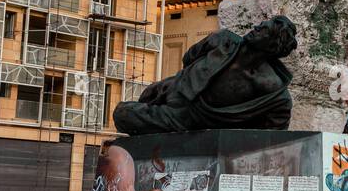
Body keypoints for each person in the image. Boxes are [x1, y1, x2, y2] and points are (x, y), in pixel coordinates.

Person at [112, 16, 297, 134]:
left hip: (186, 120)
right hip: (176, 88)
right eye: (260, 24)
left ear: (272, 44)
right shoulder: (224, 40)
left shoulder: (273, 91)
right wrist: (179, 83)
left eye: (263, 29)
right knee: (146, 95)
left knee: (123, 114)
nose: (256, 26)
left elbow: (272, 136)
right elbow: (189, 58)